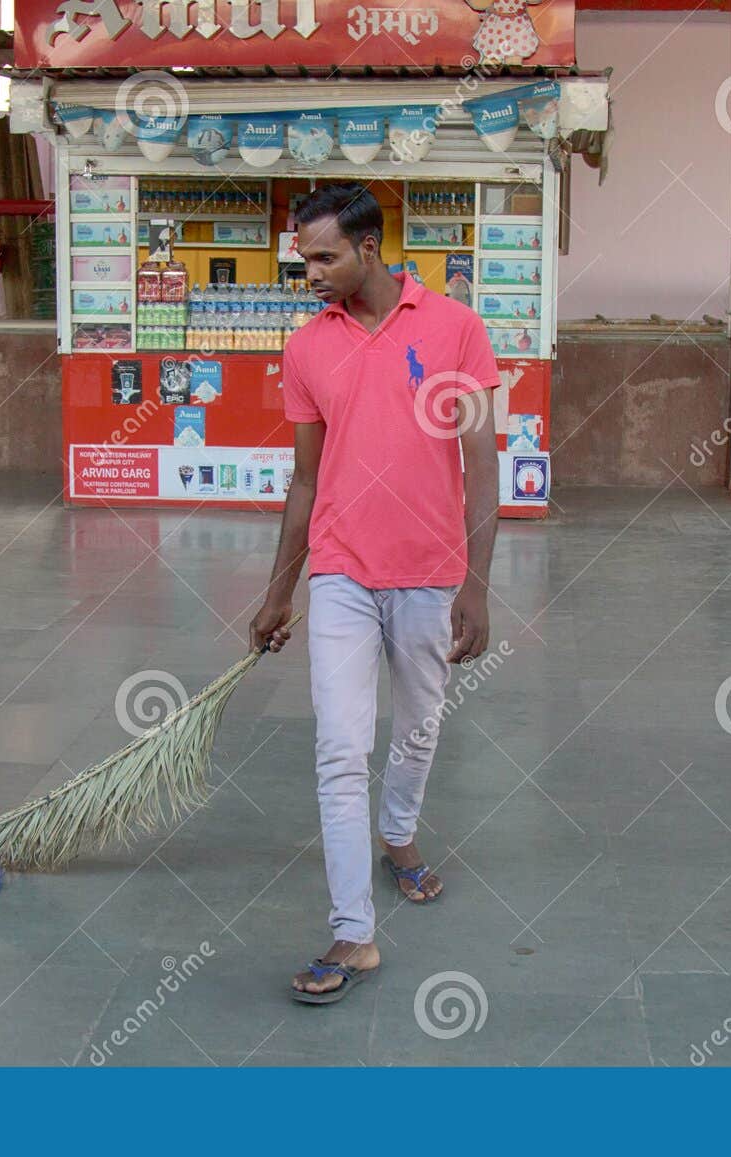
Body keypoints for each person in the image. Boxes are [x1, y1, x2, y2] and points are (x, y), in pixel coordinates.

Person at [247, 183, 499, 1006]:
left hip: (431, 573)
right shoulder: (306, 347)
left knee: (419, 731)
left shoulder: (454, 327)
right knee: (339, 750)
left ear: (370, 248)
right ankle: (354, 933)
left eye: (324, 256)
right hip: (343, 574)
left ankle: (399, 834)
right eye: (303, 258)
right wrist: (279, 592)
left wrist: (478, 584)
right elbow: (305, 479)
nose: (310, 272)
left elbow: (483, 462)